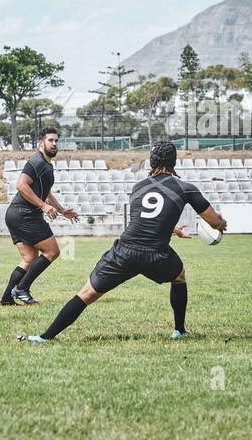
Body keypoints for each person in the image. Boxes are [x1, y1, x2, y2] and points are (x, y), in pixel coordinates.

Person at [18, 140, 227, 343]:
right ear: (173, 162)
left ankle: (45, 337)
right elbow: (213, 220)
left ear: (151, 162)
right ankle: (179, 330)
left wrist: (174, 229)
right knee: (179, 277)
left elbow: (144, 220)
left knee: (86, 294)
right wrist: (220, 223)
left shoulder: (138, 187)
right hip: (157, 255)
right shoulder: (185, 188)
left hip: (124, 252)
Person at [0, 127, 78, 306]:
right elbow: (21, 185)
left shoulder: (46, 164)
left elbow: (47, 193)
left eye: (56, 141)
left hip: (15, 214)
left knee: (29, 257)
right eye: (50, 140)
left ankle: (6, 298)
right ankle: (21, 289)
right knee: (52, 251)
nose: (54, 144)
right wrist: (42, 206)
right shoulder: (36, 161)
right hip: (25, 214)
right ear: (41, 143)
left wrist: (62, 210)